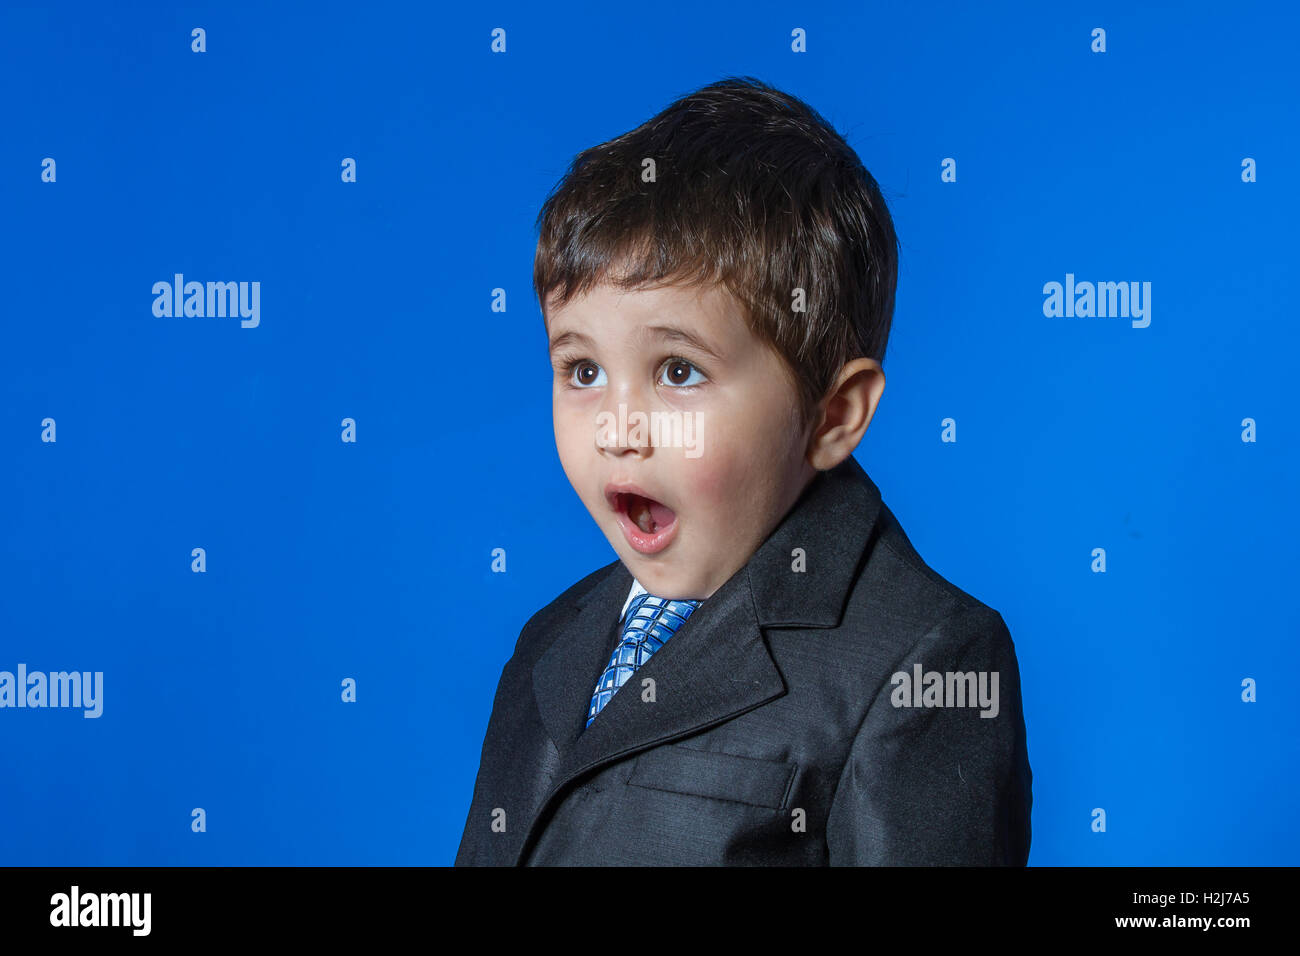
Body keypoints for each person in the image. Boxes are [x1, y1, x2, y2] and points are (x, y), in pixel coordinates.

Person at [455, 76, 1032, 865]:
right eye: (582, 371)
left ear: (833, 415)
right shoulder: (550, 641)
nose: (619, 430)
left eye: (679, 372)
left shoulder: (924, 663)